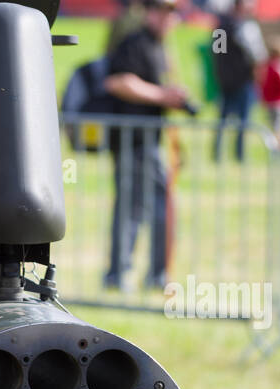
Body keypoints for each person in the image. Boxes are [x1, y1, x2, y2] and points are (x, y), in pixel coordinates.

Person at [102, 0, 194, 291]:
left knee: (152, 207)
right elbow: (118, 82)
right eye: (167, 12)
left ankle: (149, 275)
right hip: (133, 140)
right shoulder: (135, 42)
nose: (172, 19)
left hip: (149, 140)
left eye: (175, 14)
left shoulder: (160, 47)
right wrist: (163, 96)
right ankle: (120, 276)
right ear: (152, 13)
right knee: (133, 209)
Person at [212, 0, 267, 162]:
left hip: (242, 82)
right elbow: (217, 54)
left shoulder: (244, 27)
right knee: (223, 122)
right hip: (231, 83)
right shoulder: (224, 27)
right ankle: (219, 154)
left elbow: (258, 57)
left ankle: (239, 155)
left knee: (242, 123)